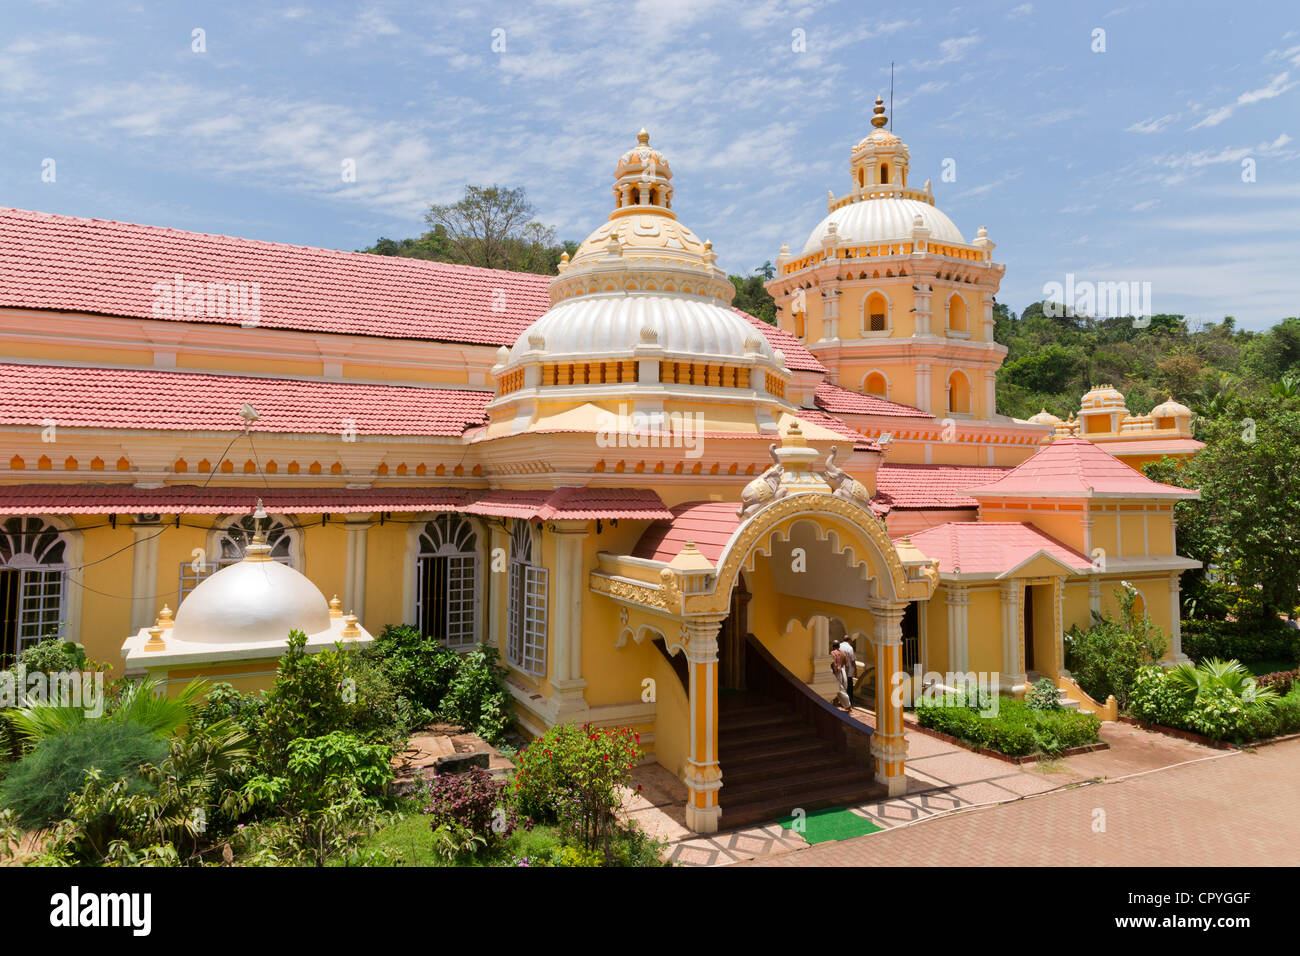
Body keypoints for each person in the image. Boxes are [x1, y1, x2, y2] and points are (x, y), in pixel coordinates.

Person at [830, 643, 850, 709]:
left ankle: (848, 705)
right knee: (839, 689)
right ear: (839, 646)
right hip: (842, 672)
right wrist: (846, 675)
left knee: (840, 689)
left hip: (836, 673)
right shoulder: (843, 653)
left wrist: (835, 672)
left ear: (833, 647)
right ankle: (835, 705)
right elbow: (847, 665)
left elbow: (834, 665)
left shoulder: (832, 653)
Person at [838, 638, 857, 704]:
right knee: (849, 688)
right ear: (849, 641)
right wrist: (855, 670)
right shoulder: (850, 648)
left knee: (841, 687)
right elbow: (852, 660)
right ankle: (849, 702)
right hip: (848, 672)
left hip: (840, 670)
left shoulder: (839, 646)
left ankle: (841, 701)